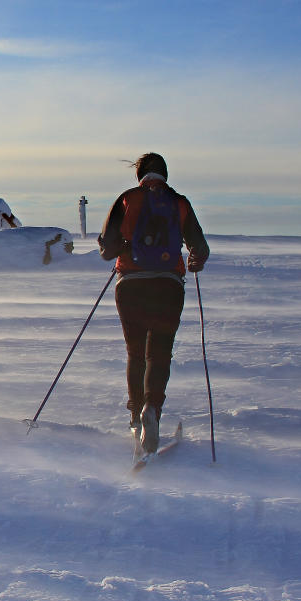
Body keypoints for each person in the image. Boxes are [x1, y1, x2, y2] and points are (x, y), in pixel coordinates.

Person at [98, 153, 208, 455]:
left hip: (130, 285)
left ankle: (136, 418)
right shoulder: (180, 202)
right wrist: (195, 259)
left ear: (140, 175)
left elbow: (107, 250)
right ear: (165, 175)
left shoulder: (127, 198)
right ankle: (153, 409)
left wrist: (125, 246)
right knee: (159, 353)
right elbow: (199, 247)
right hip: (169, 286)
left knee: (136, 353)